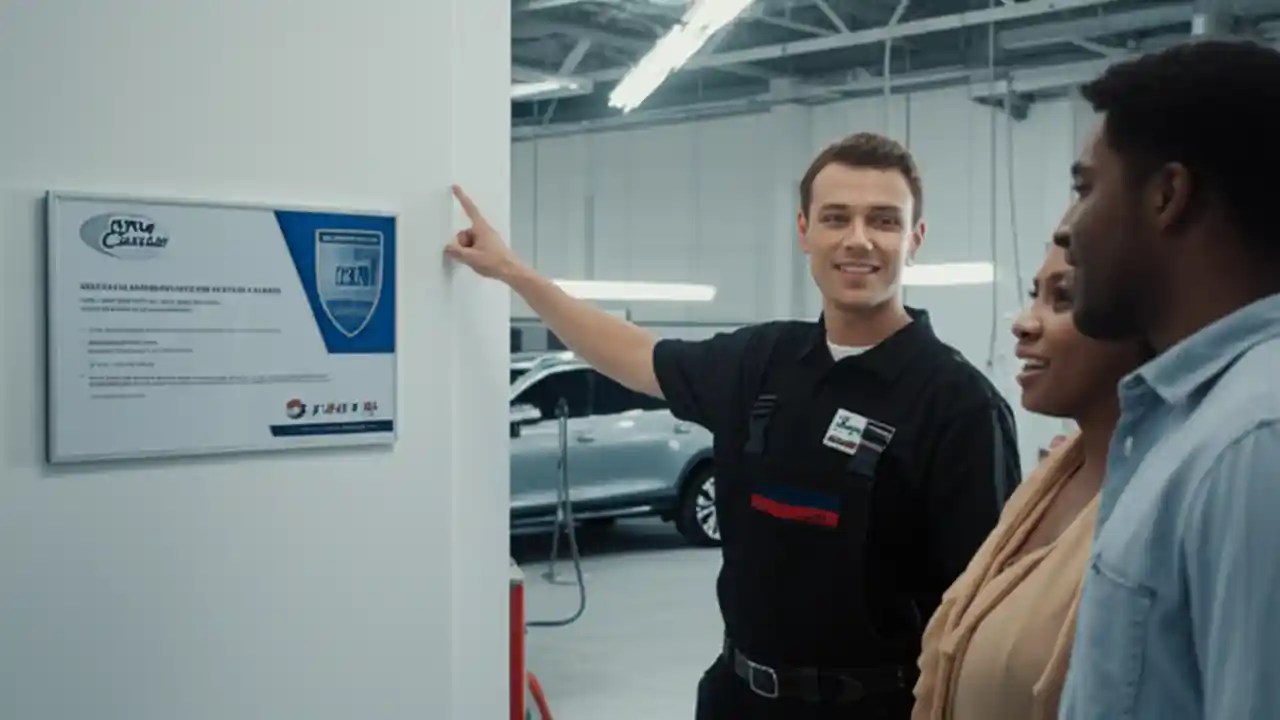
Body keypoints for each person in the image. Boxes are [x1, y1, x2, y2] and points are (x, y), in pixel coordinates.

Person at [447, 132, 1021, 719]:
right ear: (804, 231)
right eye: (835, 218)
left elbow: (986, 621)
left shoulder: (959, 406)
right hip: (736, 698)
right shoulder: (761, 361)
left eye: (883, 220)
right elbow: (633, 354)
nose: (858, 240)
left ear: (914, 238)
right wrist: (513, 273)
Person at [1053, 39, 1280, 720]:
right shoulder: (1193, 423)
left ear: (1167, 195)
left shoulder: (1254, 445)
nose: (1067, 230)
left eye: (1085, 188)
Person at [911, 240, 1148, 720]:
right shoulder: (1049, 482)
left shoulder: (1158, 510)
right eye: (1034, 295)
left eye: (1062, 299)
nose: (1023, 323)